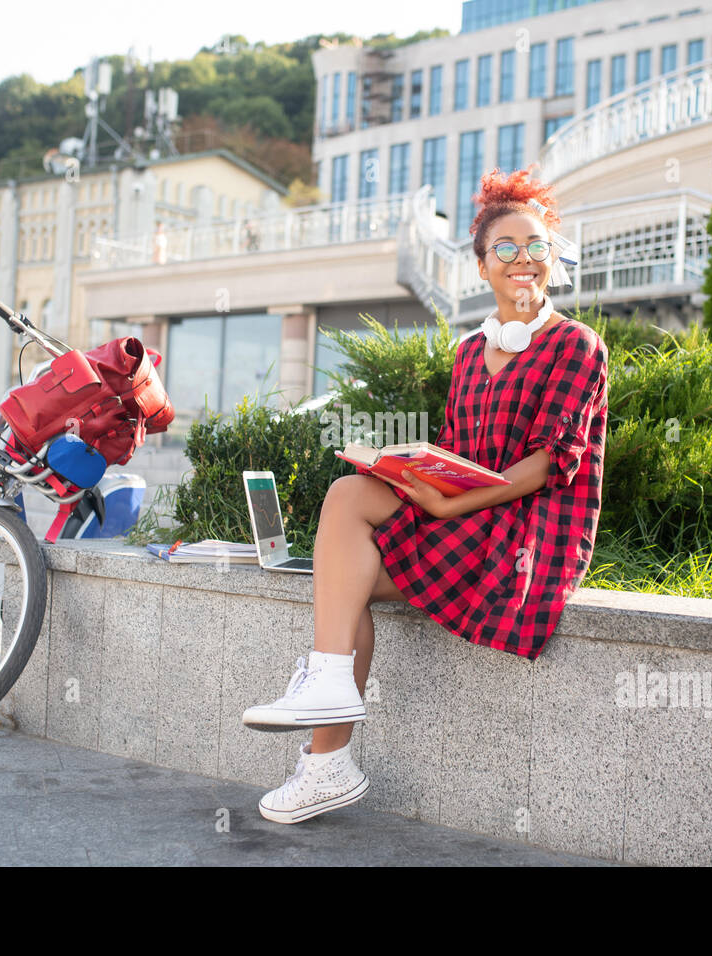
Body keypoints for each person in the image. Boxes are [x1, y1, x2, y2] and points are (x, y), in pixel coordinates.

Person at [241, 165, 610, 825]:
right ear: (480, 265)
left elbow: (552, 464)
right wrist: (415, 476)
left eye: (537, 247)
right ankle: (326, 752)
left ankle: (326, 746)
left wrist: (447, 504)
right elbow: (459, 452)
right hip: (465, 513)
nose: (523, 260)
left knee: (342, 575)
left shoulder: (577, 345)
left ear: (552, 260)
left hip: (523, 533)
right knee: (350, 495)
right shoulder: (470, 353)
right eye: (506, 248)